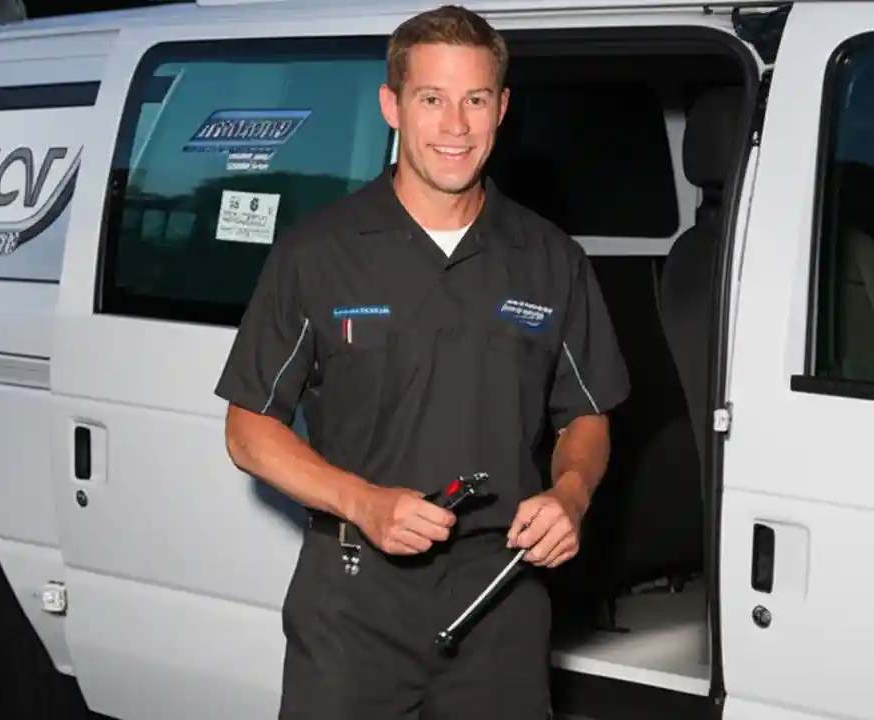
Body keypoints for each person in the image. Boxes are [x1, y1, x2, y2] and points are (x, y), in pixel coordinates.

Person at [213, 5, 630, 718]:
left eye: (474, 100)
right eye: (431, 99)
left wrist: (571, 496)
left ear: (502, 108)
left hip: (502, 591)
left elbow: (586, 416)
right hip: (352, 598)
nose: (455, 126)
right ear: (392, 106)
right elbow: (247, 430)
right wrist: (363, 502)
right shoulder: (318, 253)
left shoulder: (550, 259)